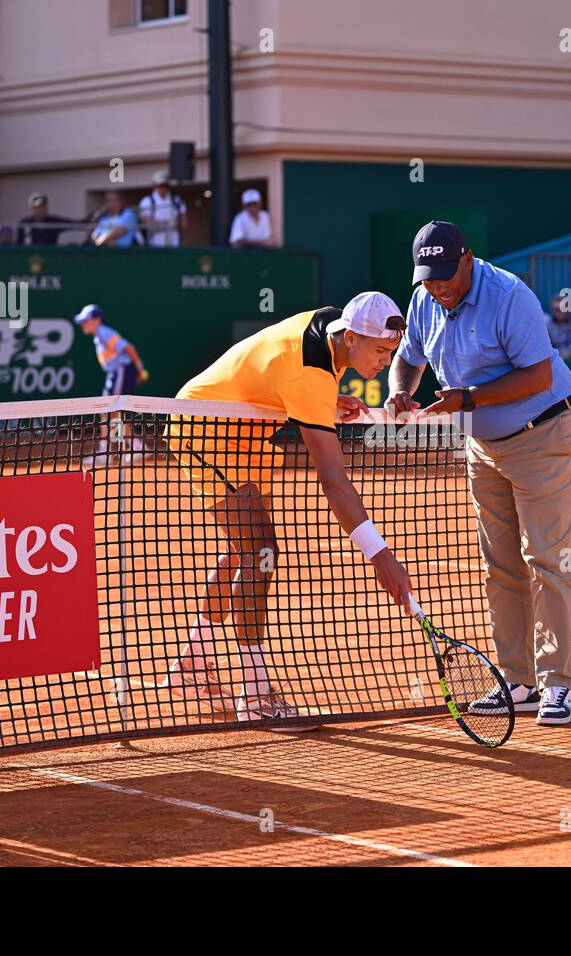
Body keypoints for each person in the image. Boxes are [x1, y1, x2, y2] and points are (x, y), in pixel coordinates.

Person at [164, 291, 414, 723]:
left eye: (390, 352)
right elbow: (333, 481)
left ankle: (192, 662)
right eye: (380, 352)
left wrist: (325, 404)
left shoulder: (332, 326)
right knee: (262, 552)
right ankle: (256, 691)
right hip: (204, 426)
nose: (384, 363)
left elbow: (278, 375)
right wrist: (380, 554)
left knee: (248, 550)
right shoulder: (309, 373)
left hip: (248, 429)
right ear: (351, 337)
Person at [388, 220, 571, 726]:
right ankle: (517, 679)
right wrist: (398, 391)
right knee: (500, 566)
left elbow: (537, 375)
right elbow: (408, 358)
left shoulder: (508, 296)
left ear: (468, 259)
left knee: (546, 560)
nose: (439, 287)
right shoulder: (424, 301)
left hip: (544, 433)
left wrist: (467, 399)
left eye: (446, 276)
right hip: (483, 445)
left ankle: (556, 684)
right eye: (429, 278)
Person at [73, 304, 150, 463]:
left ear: (97, 320)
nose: (83, 324)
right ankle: (114, 449)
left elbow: (128, 347)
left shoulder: (104, 332)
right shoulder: (99, 335)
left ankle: (124, 448)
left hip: (121, 371)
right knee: (110, 412)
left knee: (112, 411)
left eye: (86, 320)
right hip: (116, 373)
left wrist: (140, 368)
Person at [139, 171, 187, 247]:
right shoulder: (147, 201)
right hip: (155, 243)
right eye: (160, 185)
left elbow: (183, 223)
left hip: (175, 242)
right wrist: (170, 225)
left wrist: (160, 224)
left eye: (165, 185)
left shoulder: (177, 201)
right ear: (155, 186)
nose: (163, 188)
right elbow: (150, 224)